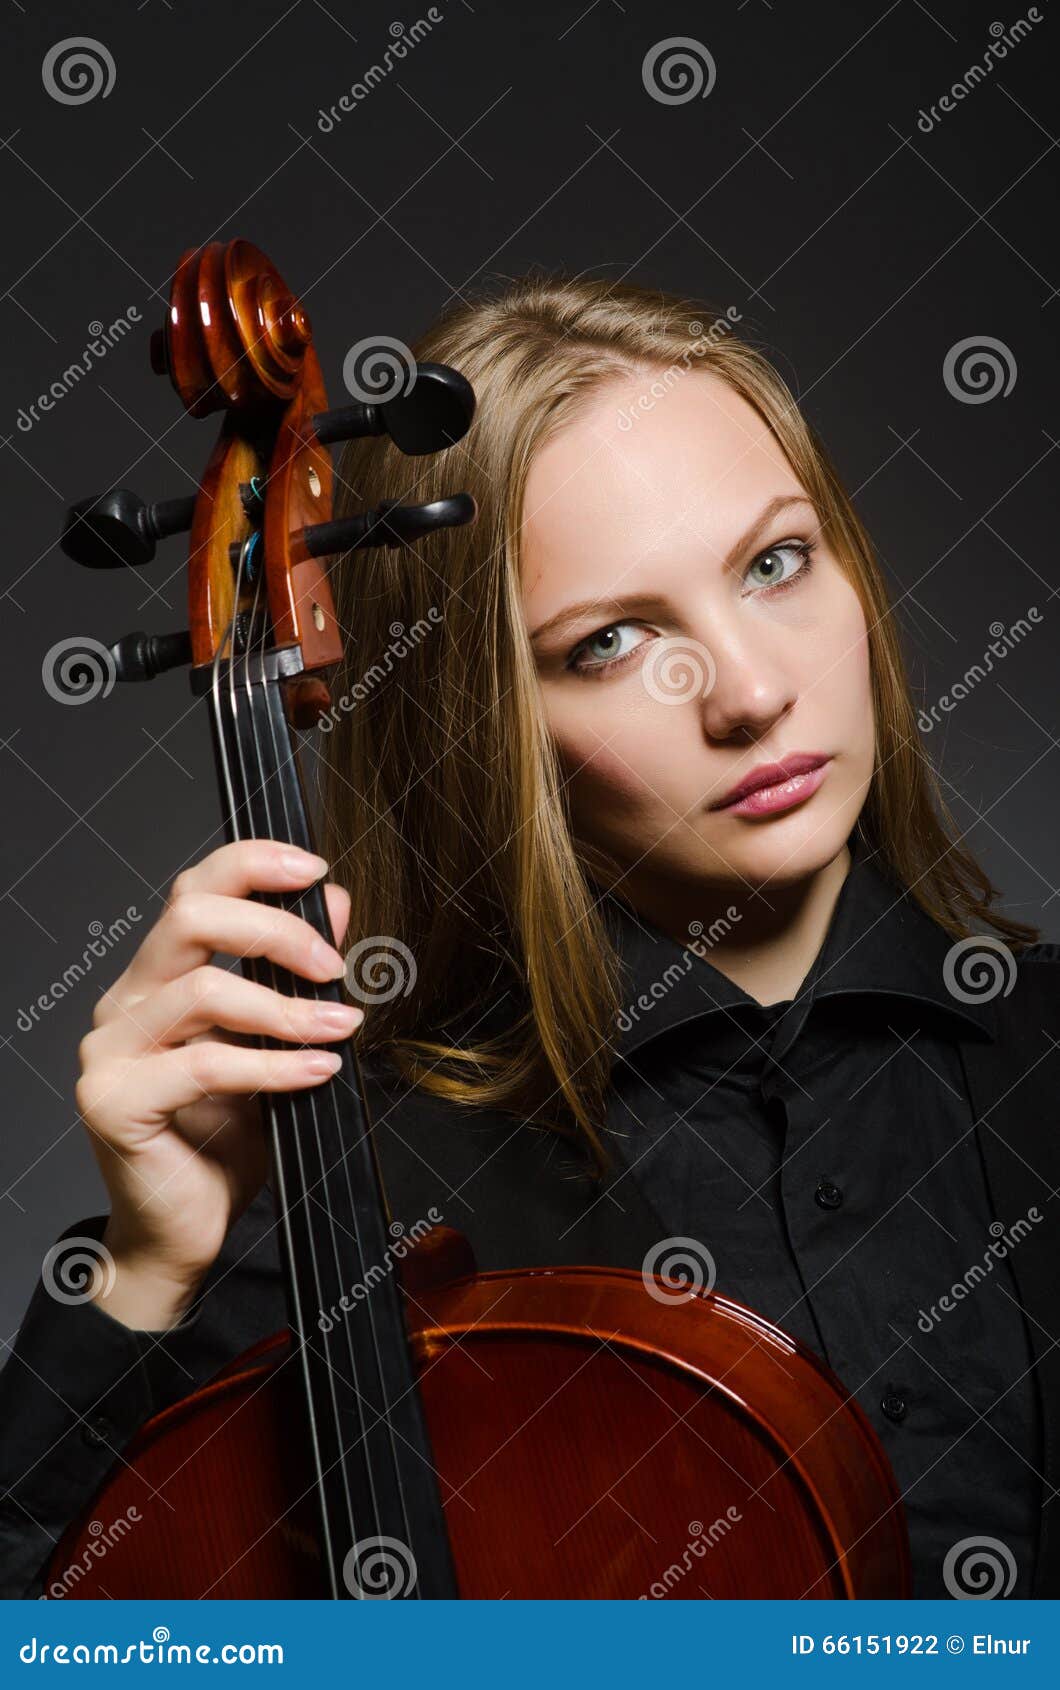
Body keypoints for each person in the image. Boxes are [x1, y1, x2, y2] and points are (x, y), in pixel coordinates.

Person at [1, 275, 1057, 1602]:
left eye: (775, 563)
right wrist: (147, 1272)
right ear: (480, 718)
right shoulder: (363, 1201)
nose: (749, 690)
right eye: (609, 641)